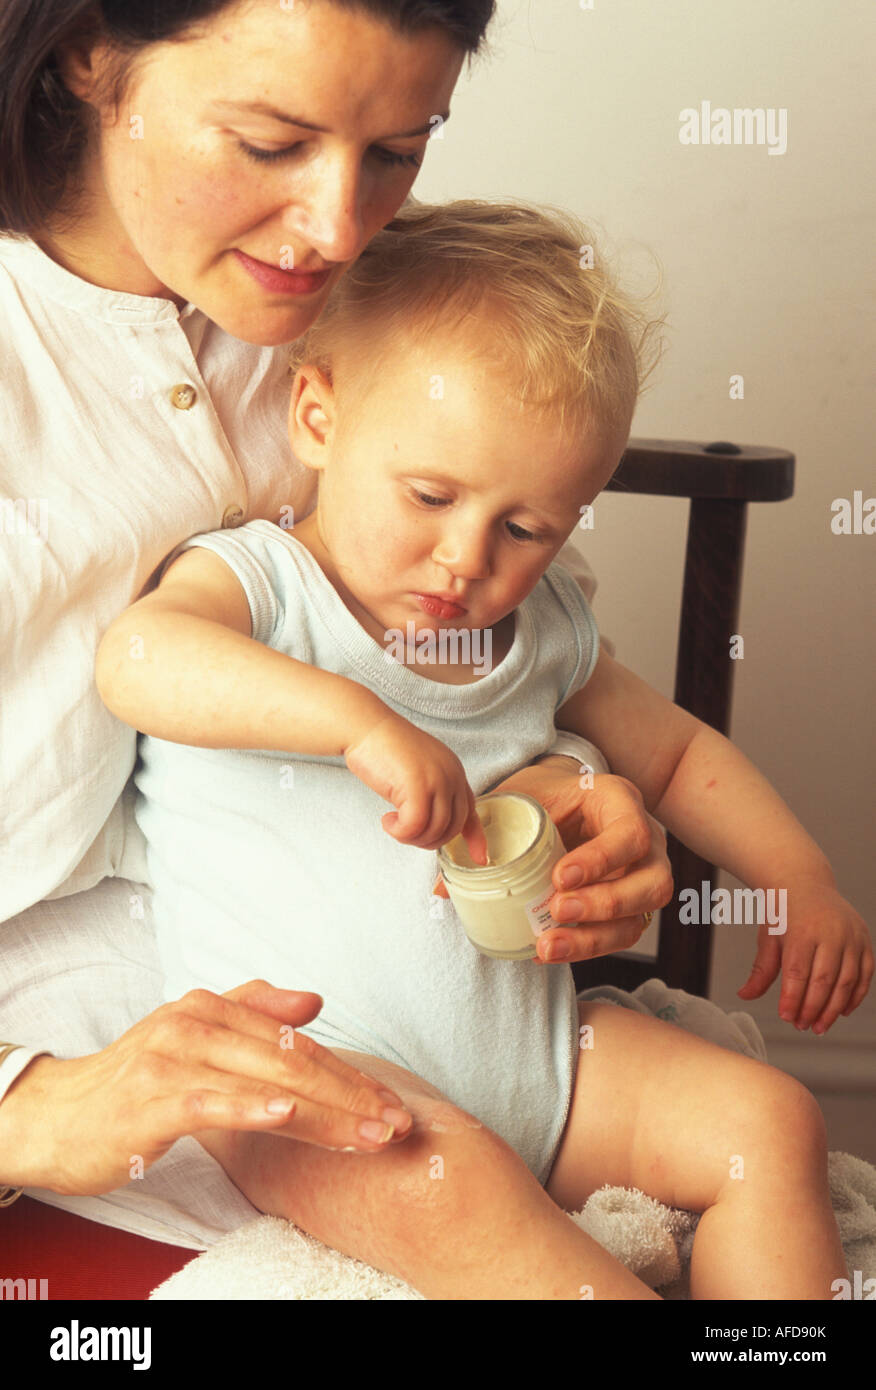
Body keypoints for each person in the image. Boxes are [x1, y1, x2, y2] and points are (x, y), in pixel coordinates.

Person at [95, 198, 870, 1298]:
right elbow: (139, 657)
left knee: (770, 1119)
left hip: (546, 1069)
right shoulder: (264, 585)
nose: (465, 560)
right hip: (314, 1086)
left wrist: (800, 877)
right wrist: (357, 721)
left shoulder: (542, 625)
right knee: (450, 1187)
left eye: (525, 528)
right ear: (317, 418)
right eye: (430, 495)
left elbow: (678, 756)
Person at [0, 0, 670, 1238]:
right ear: (92, 53)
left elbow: (510, 666)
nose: (337, 230)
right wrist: (33, 1110)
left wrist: (577, 787)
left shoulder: (395, 320)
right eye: (268, 143)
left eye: (399, 150)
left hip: (423, 1023)